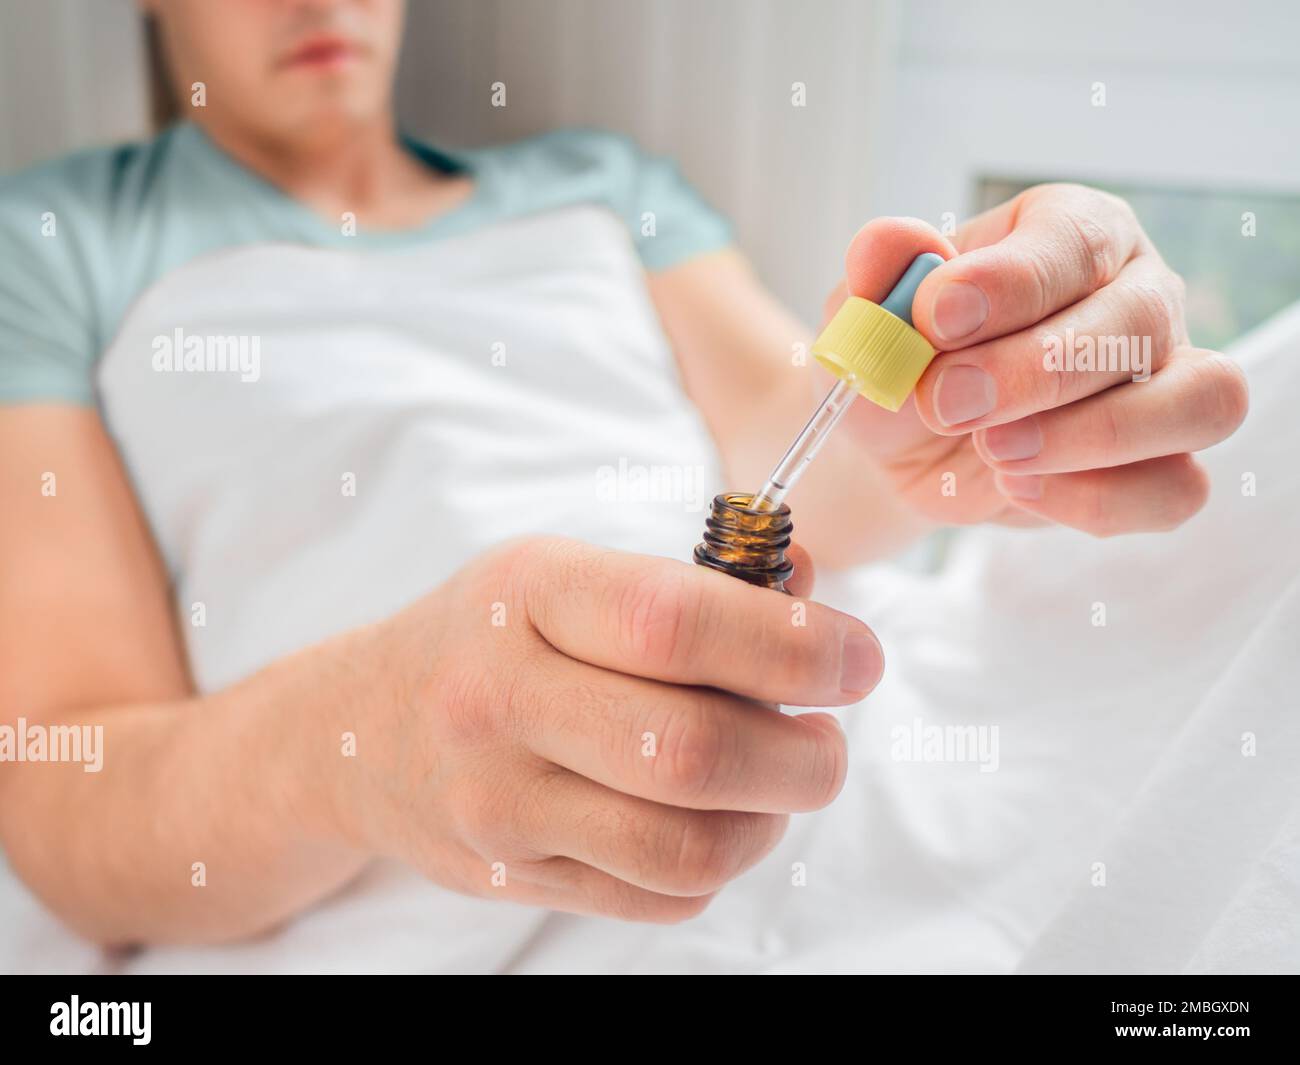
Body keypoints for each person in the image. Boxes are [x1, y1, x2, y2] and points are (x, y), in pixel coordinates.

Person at [0, 0, 1247, 953]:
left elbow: (796, 454)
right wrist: (369, 732)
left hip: (851, 767)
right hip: (457, 897)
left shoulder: (599, 184)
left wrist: (952, 396)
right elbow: (67, 781)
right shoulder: (53, 243)